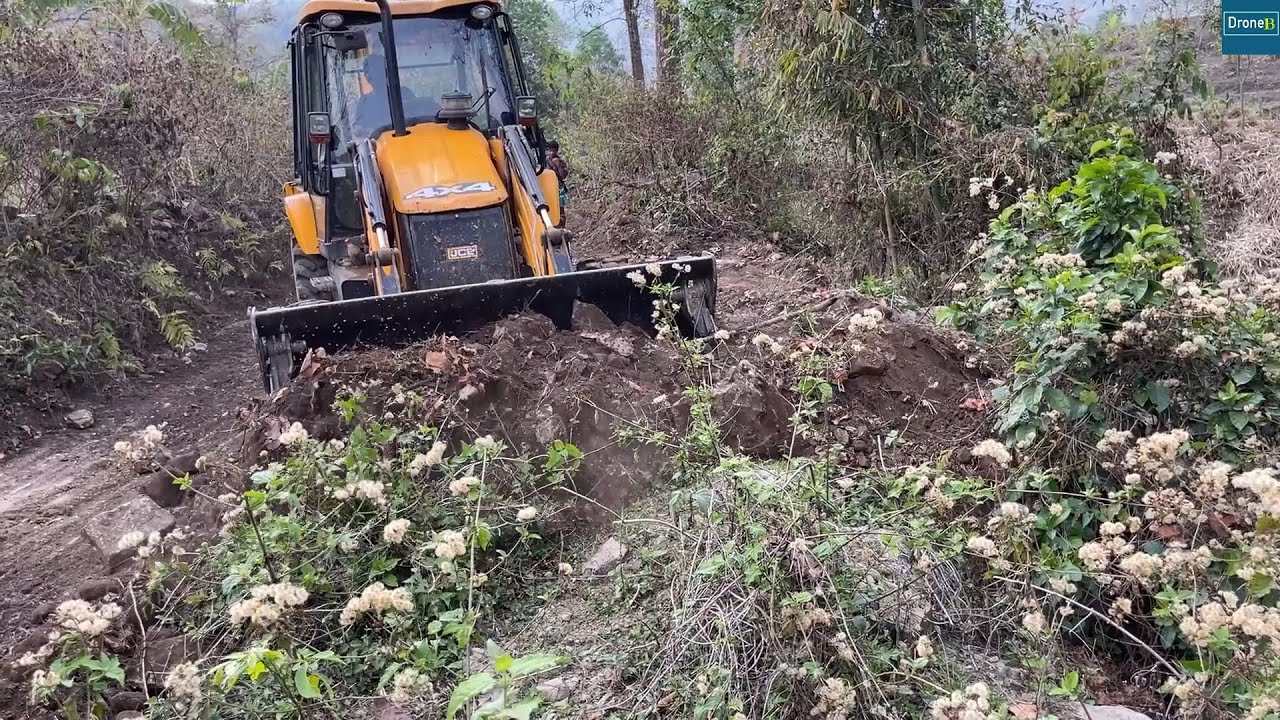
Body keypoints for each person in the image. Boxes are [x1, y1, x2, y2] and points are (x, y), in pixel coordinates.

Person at [546, 140, 570, 227]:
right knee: (559, 210)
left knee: (557, 210)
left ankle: (557, 226)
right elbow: (563, 175)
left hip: (553, 189)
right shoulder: (556, 161)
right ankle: (560, 226)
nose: (550, 152)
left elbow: (562, 175)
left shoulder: (549, 161)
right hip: (556, 188)